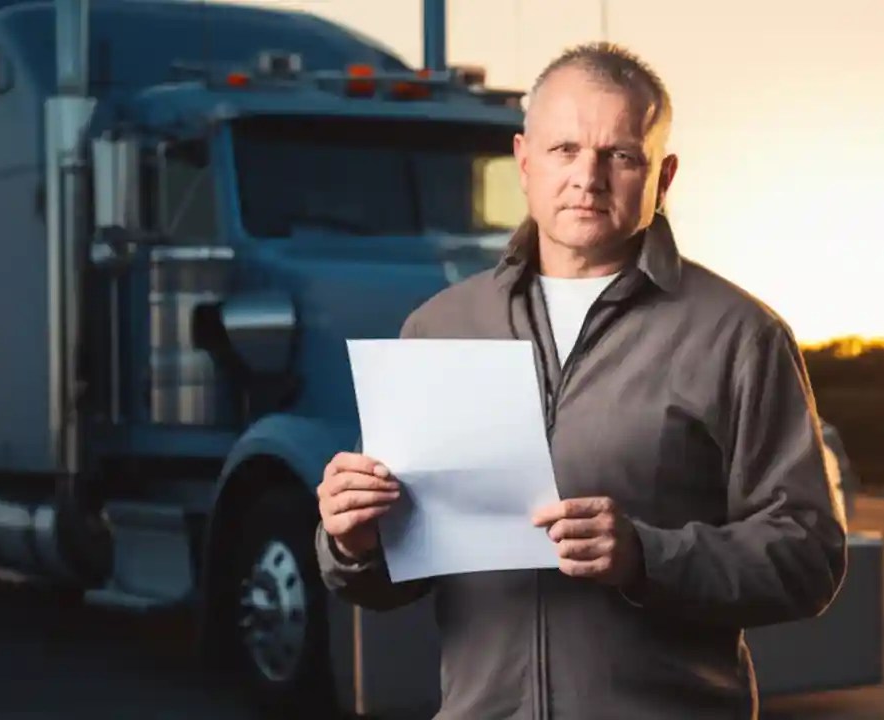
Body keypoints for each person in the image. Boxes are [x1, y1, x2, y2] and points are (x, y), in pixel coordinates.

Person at [315, 41, 848, 720]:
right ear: (524, 161)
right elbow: (388, 581)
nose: (587, 178)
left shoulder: (739, 335)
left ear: (664, 176)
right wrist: (351, 541)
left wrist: (647, 556)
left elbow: (808, 557)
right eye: (564, 149)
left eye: (620, 155)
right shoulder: (438, 326)